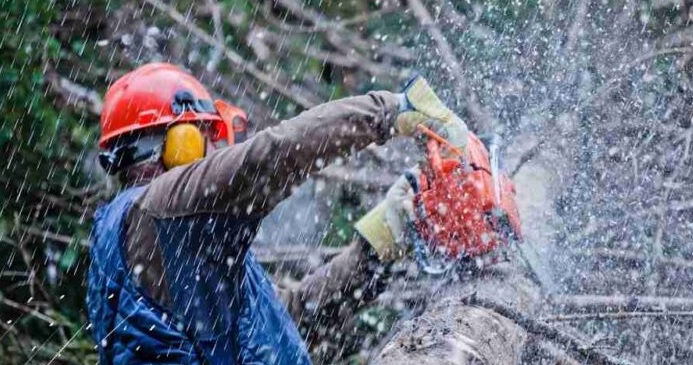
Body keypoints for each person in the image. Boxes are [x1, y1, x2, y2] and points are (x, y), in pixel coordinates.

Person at [86, 62, 467, 364]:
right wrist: (392, 110)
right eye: (202, 137)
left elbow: (281, 321)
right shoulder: (164, 207)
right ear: (177, 144)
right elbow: (271, 156)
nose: (212, 152)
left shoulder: (166, 237)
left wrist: (375, 249)